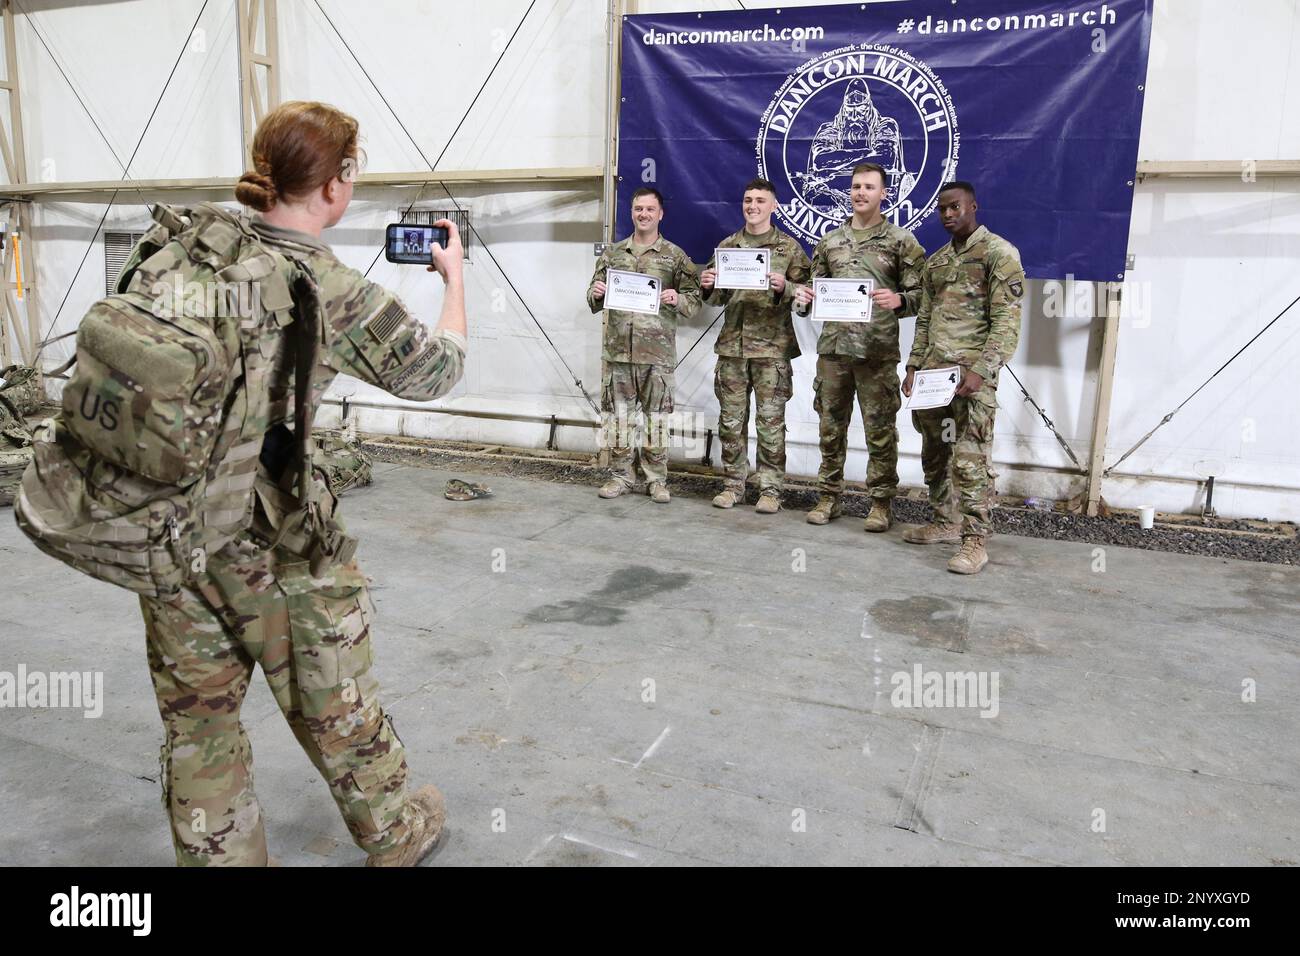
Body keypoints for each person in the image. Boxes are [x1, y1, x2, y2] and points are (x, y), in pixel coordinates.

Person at [139, 101, 468, 866]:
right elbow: (439, 371)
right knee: (334, 702)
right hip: (274, 544)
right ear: (335, 186)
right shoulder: (326, 282)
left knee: (199, 727)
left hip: (170, 535)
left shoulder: (186, 254)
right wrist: (453, 282)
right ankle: (393, 833)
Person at [793, 162, 925, 531]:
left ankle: (881, 503)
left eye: (869, 187)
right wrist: (802, 298)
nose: (860, 193)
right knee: (829, 427)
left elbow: (922, 294)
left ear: (884, 193)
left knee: (879, 430)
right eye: (855, 186)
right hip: (834, 351)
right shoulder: (830, 242)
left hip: (876, 352)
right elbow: (810, 292)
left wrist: (900, 300)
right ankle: (828, 496)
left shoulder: (901, 241)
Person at [902, 180, 1025, 574]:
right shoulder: (936, 263)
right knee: (935, 453)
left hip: (971, 378)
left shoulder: (998, 254)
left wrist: (981, 371)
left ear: (974, 206)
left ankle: (975, 542)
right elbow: (924, 319)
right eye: (943, 209)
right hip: (933, 379)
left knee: (970, 459)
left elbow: (1006, 321)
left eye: (956, 206)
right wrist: (913, 366)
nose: (949, 214)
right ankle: (945, 521)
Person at [699, 178, 811, 513]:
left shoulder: (788, 248)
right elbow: (717, 298)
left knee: (770, 422)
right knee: (731, 422)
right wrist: (707, 284)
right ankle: (734, 485)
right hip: (733, 348)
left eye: (760, 201)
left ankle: (771, 489)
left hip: (772, 351)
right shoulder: (728, 246)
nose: (753, 206)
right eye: (748, 200)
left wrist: (785, 288)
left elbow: (807, 299)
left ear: (773, 206)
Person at [586, 187, 701, 503]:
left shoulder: (674, 257)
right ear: (632, 212)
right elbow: (593, 298)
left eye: (650, 209)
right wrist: (596, 292)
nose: (644, 214)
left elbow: (695, 301)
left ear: (660, 214)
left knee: (657, 419)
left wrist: (678, 298)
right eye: (638, 209)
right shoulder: (613, 254)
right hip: (619, 352)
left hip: (657, 355)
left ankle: (656, 479)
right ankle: (621, 476)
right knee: (619, 419)